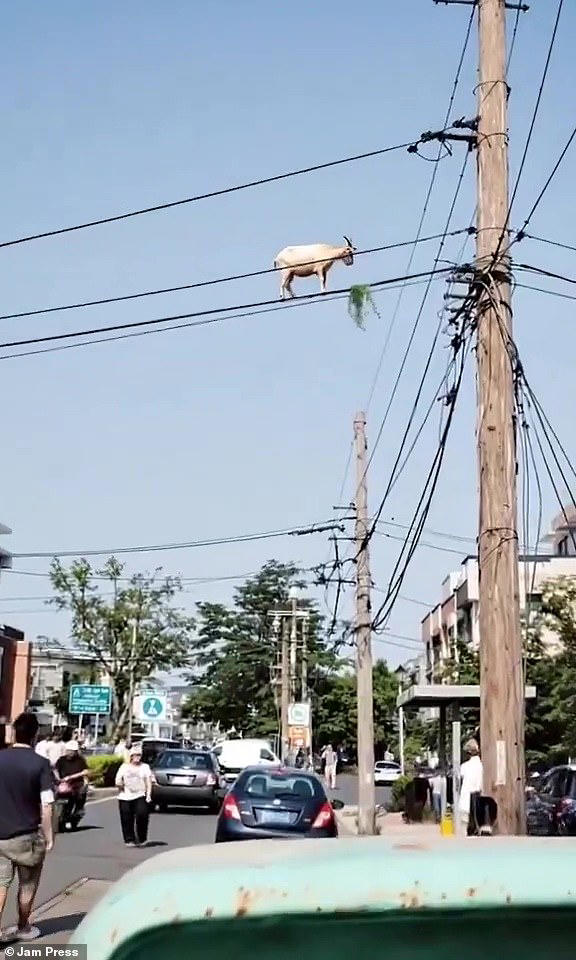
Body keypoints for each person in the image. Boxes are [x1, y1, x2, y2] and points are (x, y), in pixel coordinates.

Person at [0, 713, 54, 943]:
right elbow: (47, 804)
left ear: (13, 732)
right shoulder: (40, 763)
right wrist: (49, 836)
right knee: (27, 884)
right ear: (35, 735)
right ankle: (23, 926)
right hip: (27, 836)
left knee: (0, 884)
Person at [115, 746, 153, 847]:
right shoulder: (124, 767)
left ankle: (142, 838)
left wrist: (148, 794)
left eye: (139, 755)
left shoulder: (145, 767)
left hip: (140, 794)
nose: (137, 757)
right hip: (125, 796)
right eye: (135, 755)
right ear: (131, 756)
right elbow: (118, 780)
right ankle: (129, 839)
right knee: (126, 818)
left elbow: (148, 781)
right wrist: (121, 786)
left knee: (142, 814)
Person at [54, 741, 89, 827]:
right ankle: (59, 818)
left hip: (77, 784)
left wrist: (71, 777)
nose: (70, 753)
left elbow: (85, 771)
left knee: (80, 797)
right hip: (63, 784)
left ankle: (76, 815)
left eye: (72, 751)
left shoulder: (80, 760)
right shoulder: (61, 760)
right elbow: (55, 769)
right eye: (68, 750)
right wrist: (58, 778)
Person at [459, 738, 483, 835]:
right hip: (478, 792)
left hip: (467, 792)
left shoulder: (465, 766)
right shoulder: (481, 765)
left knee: (467, 816)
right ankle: (476, 829)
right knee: (476, 813)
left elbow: (460, 777)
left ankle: (471, 830)